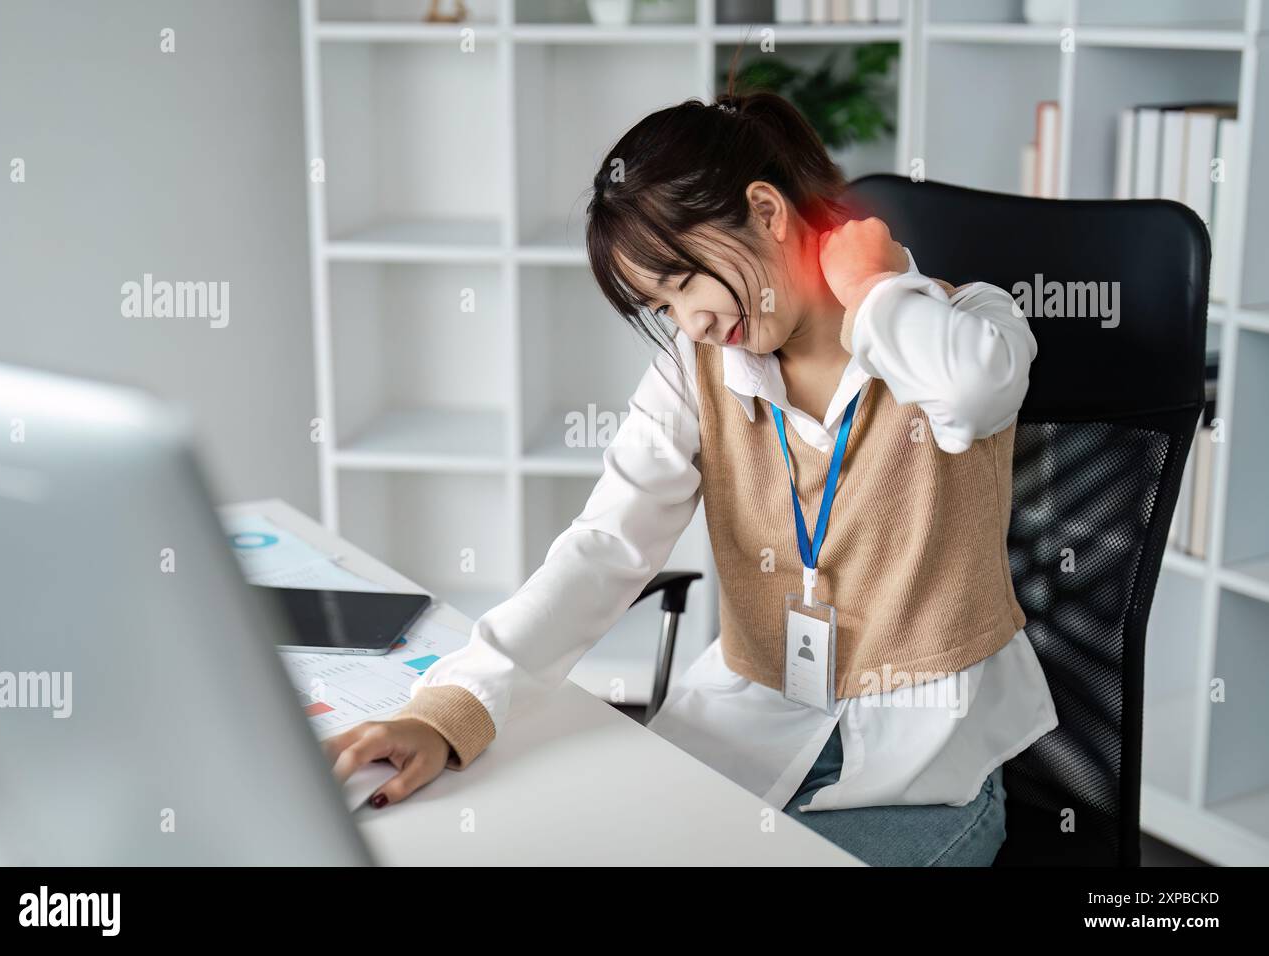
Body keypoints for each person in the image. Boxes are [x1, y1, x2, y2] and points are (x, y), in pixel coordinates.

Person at [322, 85, 1059, 867]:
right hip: (751, 730)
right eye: (662, 305)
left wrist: (876, 291)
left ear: (767, 212)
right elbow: (606, 545)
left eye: (683, 283)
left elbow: (972, 397)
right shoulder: (696, 369)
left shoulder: (971, 323)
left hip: (924, 769)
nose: (690, 321)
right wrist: (450, 708)